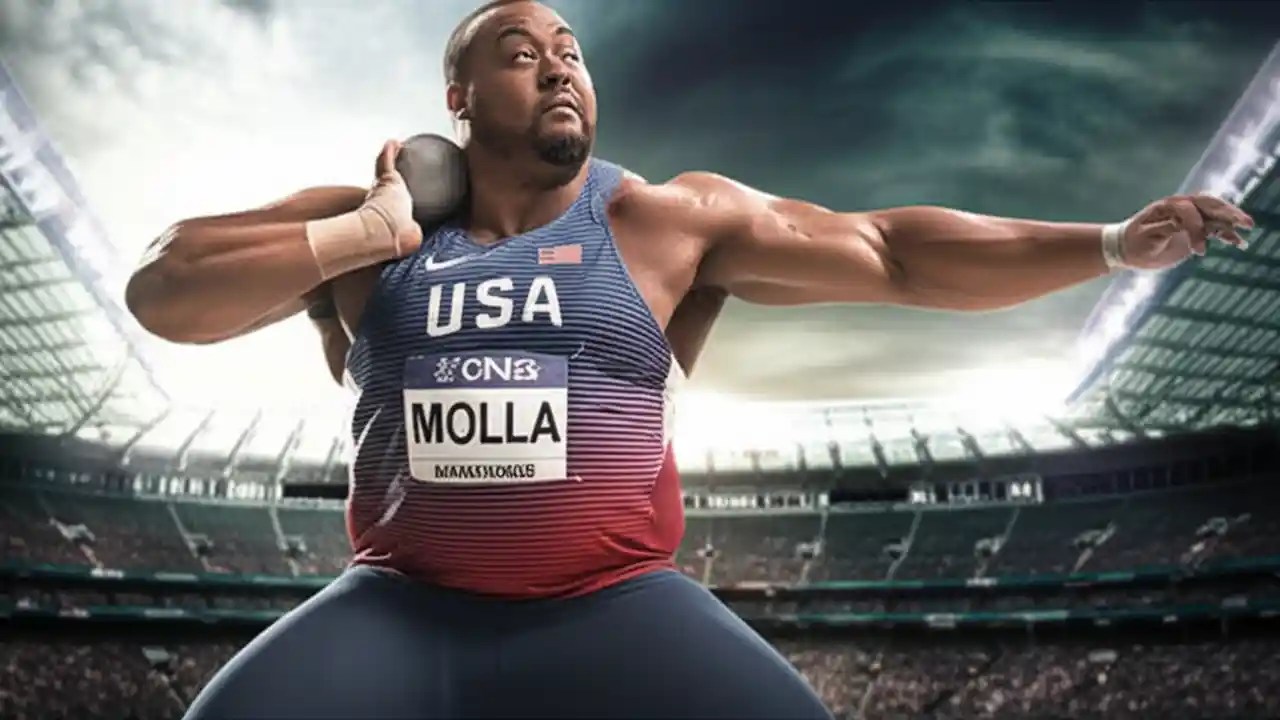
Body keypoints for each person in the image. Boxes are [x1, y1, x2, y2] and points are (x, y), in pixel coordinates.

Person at [124, 1, 1253, 717]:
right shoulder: (368, 226)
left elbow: (892, 251)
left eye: (571, 53)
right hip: (400, 608)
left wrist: (1110, 243)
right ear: (458, 100)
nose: (559, 68)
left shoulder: (665, 222)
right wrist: (365, 235)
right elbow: (165, 285)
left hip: (614, 608)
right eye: (522, 55)